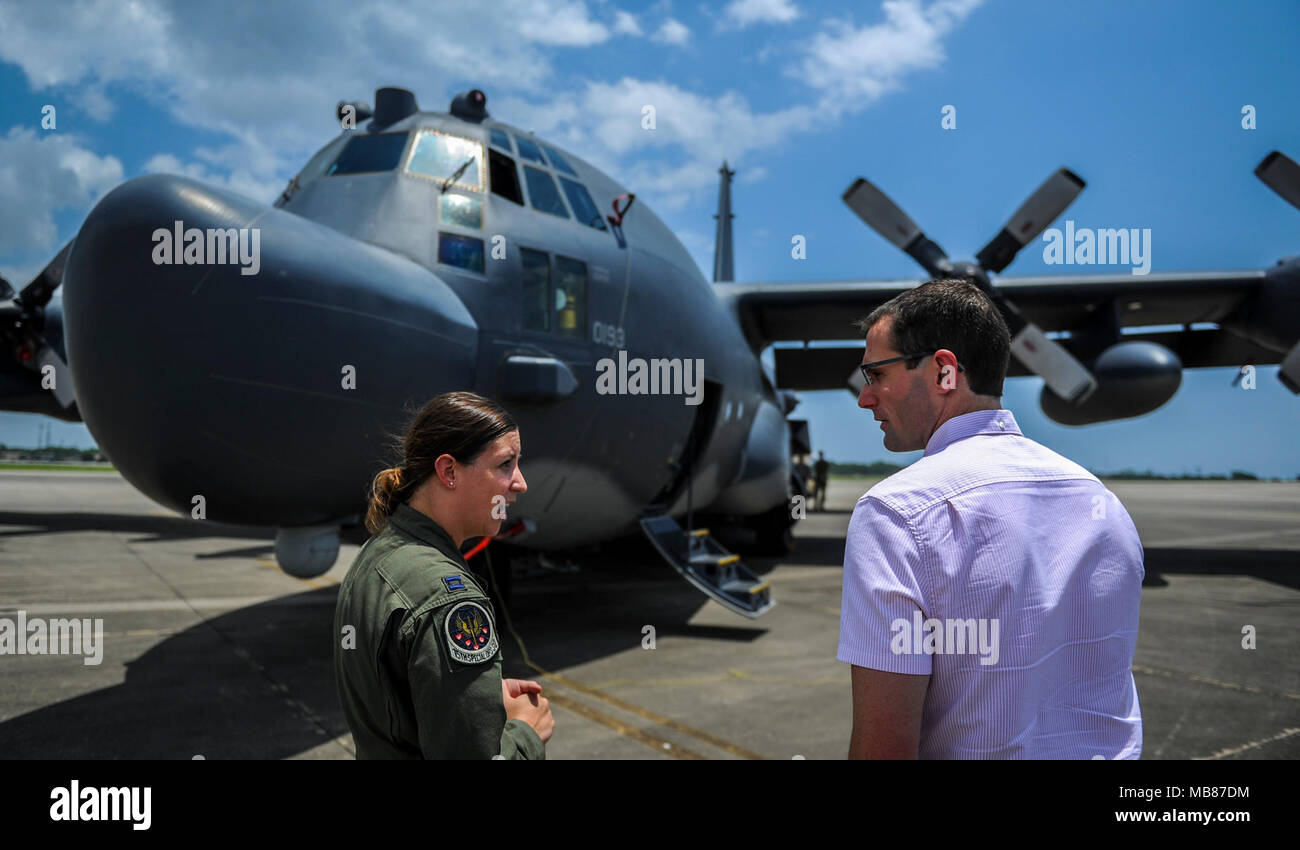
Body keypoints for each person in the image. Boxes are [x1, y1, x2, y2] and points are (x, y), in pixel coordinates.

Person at [838, 279, 1143, 759]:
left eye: (876, 374)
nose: (865, 397)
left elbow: (885, 750)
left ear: (943, 372)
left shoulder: (896, 514)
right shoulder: (1102, 504)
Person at [334, 391, 554, 759]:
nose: (520, 483)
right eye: (505, 464)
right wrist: (527, 733)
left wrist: (474, 696)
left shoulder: (379, 554)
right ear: (449, 471)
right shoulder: (450, 600)